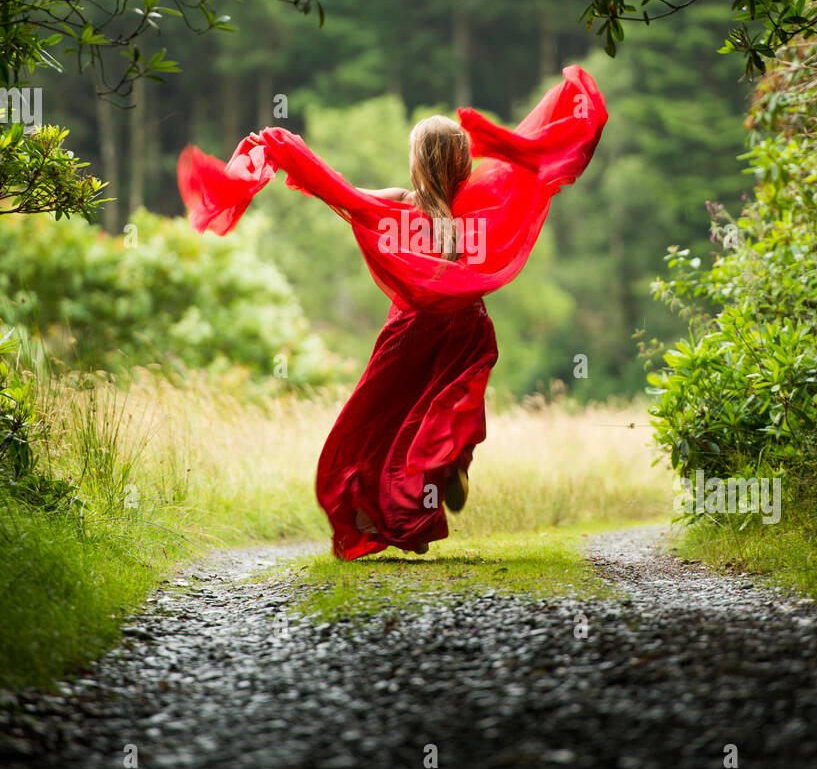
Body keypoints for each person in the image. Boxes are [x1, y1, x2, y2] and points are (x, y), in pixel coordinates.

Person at [177, 65, 607, 559]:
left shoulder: (399, 208)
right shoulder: (480, 208)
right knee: (444, 410)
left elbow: (344, 195)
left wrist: (281, 148)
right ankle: (446, 469)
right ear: (464, 166)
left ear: (416, 163)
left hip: (411, 333)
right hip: (468, 329)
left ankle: (389, 517)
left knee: (377, 423)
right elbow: (527, 181)